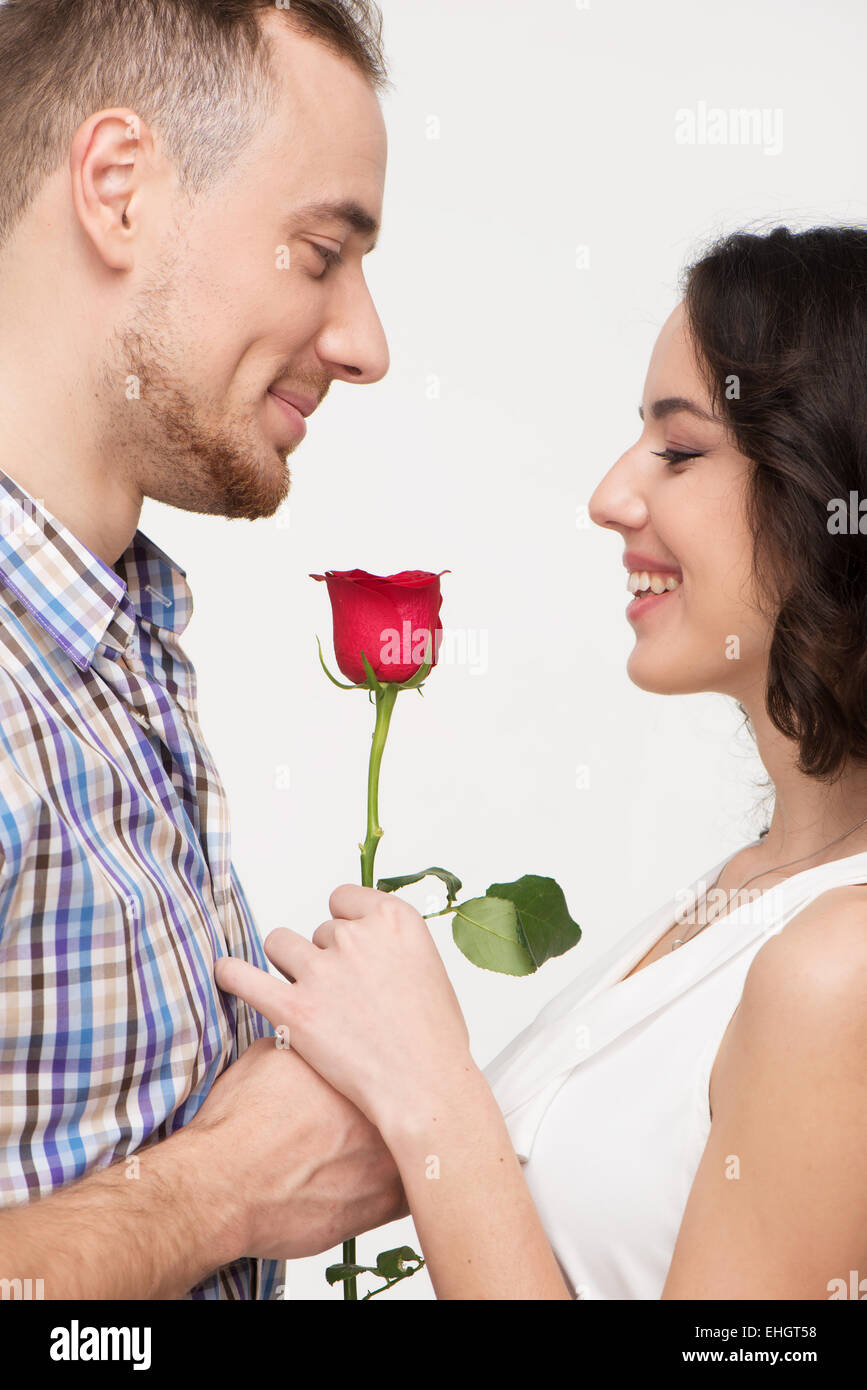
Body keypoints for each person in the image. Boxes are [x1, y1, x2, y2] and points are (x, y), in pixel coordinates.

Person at [218, 225, 867, 1300]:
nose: (614, 497)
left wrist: (431, 1095)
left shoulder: (840, 974)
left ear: (828, 489)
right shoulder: (746, 891)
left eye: (682, 448)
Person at [0, 0, 411, 1299]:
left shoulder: (121, 639)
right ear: (117, 189)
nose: (365, 343)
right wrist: (223, 1188)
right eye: (316, 251)